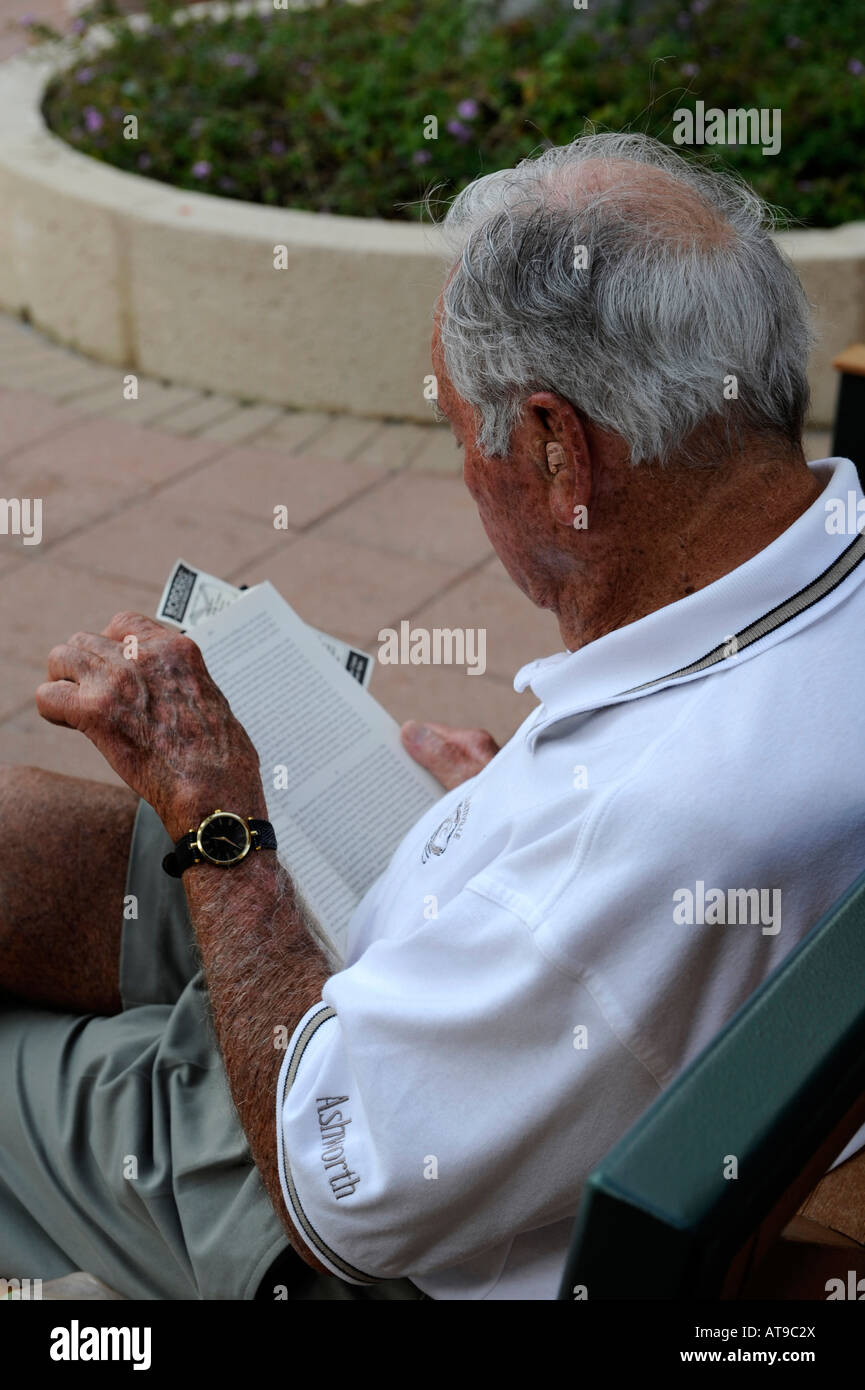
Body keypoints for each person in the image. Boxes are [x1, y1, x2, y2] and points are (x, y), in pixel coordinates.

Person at [2, 132, 864, 1301]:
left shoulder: (641, 822)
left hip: (331, 1153)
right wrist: (497, 812)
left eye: (468, 437)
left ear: (561, 449)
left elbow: (335, 1187)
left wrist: (217, 816)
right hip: (442, 986)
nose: (470, 475)